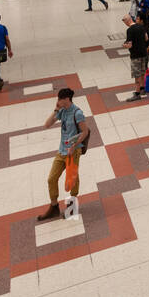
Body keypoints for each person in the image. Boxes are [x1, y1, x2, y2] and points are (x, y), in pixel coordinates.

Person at [37, 88, 90, 222]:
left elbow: (85, 132)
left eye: (60, 99)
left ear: (67, 99)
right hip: (62, 151)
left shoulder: (77, 113)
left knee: (72, 179)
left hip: (74, 151)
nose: (58, 101)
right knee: (51, 179)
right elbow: (47, 125)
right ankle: (54, 207)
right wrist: (55, 109)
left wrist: (74, 145)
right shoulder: (62, 111)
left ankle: (72, 208)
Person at [123, 13, 149, 101]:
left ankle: (137, 94)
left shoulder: (130, 30)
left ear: (127, 21)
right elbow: (146, 38)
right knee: (142, 72)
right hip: (143, 54)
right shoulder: (141, 27)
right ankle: (142, 89)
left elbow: (129, 45)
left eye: (124, 21)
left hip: (135, 55)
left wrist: (124, 45)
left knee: (136, 74)